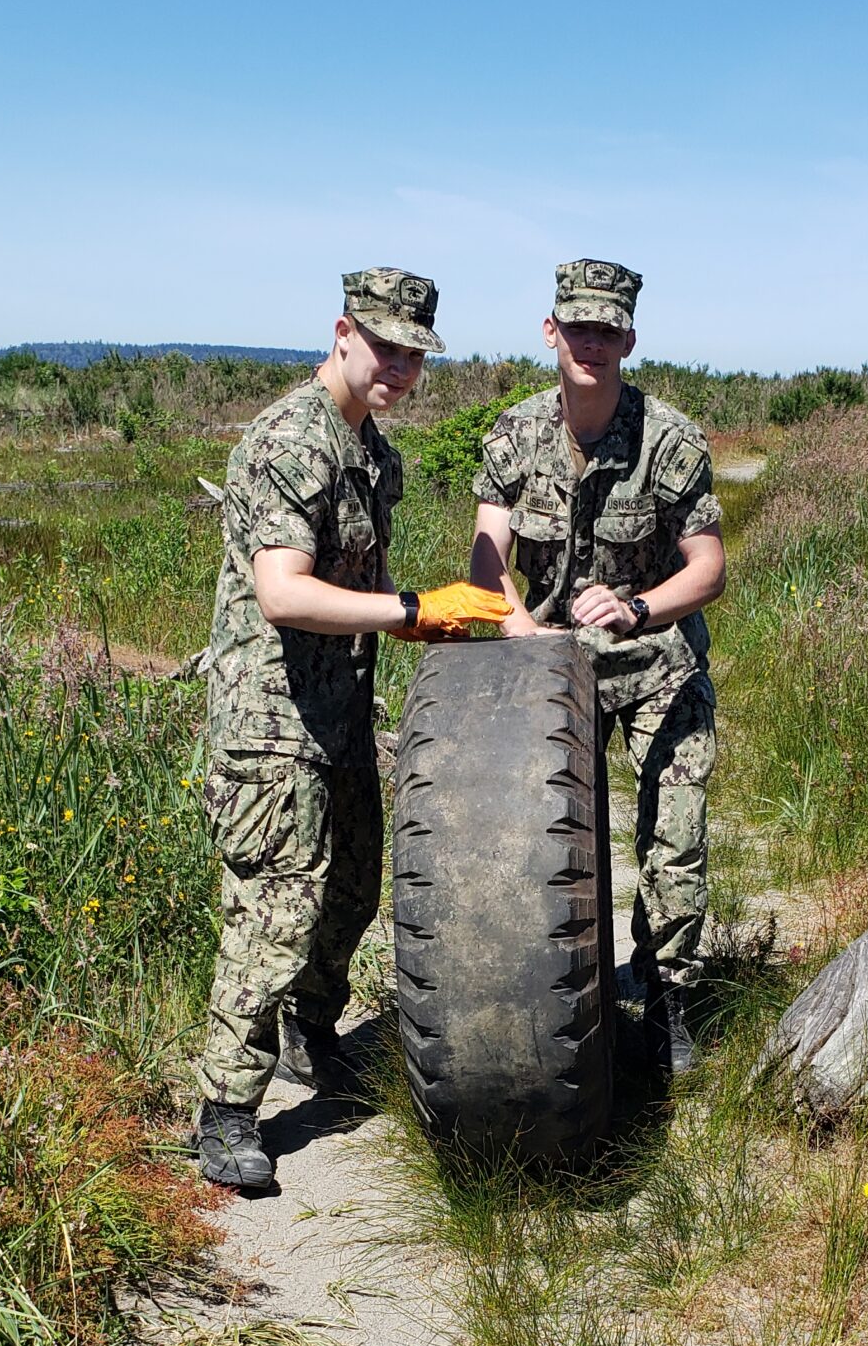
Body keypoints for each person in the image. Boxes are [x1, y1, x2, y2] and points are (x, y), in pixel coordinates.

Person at [196, 267, 506, 1188]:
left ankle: (311, 1033)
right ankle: (226, 1110)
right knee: (274, 915)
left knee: (354, 892)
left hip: (340, 712)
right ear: (341, 332)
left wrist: (442, 616)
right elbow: (283, 592)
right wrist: (410, 608)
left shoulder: (371, 450)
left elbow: (357, 584)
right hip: (271, 721)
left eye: (415, 353)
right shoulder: (291, 443)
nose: (401, 367)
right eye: (385, 347)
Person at [471, 258, 725, 1074]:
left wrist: (640, 606)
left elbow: (707, 567)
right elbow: (487, 558)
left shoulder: (671, 439)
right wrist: (515, 625)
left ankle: (669, 996)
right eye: (577, 326)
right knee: (528, 839)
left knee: (673, 838)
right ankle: (537, 995)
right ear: (552, 331)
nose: (592, 343)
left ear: (630, 338)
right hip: (546, 666)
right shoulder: (515, 433)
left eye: (607, 330)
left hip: (656, 662)